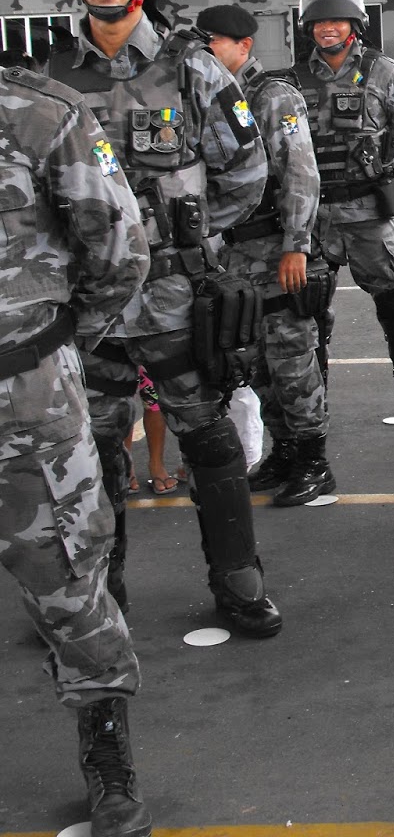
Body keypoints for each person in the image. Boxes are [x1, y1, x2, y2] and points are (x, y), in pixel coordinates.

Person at [47, 0, 281, 638]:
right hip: (92, 305)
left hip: (178, 293)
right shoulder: (51, 78)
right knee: (95, 448)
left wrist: (188, 242)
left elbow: (246, 172)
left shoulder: (194, 70)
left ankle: (238, 582)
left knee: (207, 436)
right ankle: (100, 590)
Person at [0, 62, 155, 837]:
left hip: (23, 398)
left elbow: (118, 248)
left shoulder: (35, 114)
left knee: (67, 581)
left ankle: (107, 754)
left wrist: (55, 345)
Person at [201, 3, 334, 506]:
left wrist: (297, 245)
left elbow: (301, 173)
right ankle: (285, 451)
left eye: (215, 42)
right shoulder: (209, 98)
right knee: (256, 365)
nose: (207, 52)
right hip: (234, 258)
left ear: (243, 46)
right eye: (203, 43)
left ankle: (314, 462)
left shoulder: (273, 97)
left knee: (294, 363)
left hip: (278, 252)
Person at [291, 0, 394, 423]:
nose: (327, 29)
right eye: (318, 22)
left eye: (336, 20)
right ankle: (315, 409)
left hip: (367, 211)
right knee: (309, 313)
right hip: (314, 215)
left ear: (355, 26)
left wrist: (383, 171)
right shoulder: (295, 79)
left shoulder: (384, 71)